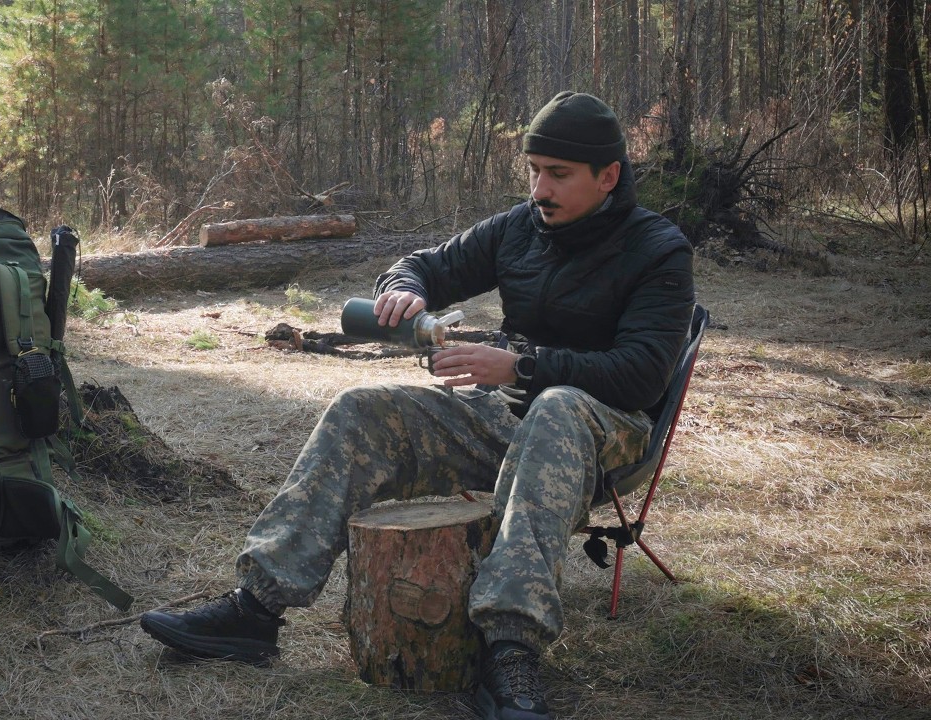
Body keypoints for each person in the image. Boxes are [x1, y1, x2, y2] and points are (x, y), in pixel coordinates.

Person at [140, 91, 695, 720]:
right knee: (360, 410)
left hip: (603, 428)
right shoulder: (520, 228)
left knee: (559, 405)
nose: (540, 188)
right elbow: (424, 265)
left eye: (558, 174)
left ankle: (509, 651)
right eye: (533, 170)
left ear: (609, 176)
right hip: (506, 414)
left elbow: (643, 376)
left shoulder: (658, 248)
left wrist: (524, 366)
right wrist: (404, 291)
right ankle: (254, 608)